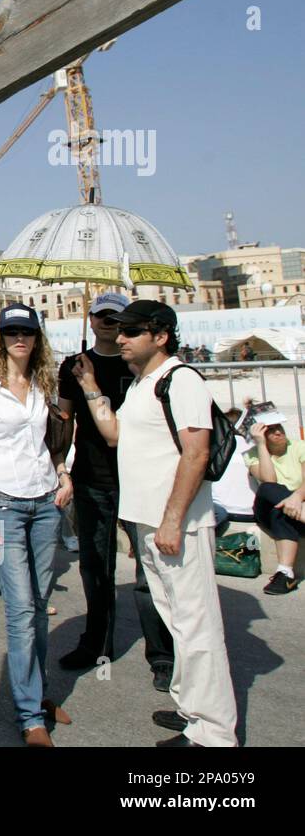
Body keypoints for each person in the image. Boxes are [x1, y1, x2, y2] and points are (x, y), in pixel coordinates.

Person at [73, 299, 237, 747]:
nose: (120, 338)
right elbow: (114, 433)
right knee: (176, 618)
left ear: (160, 335)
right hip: (149, 523)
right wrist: (89, 384)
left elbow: (197, 453)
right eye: (118, 330)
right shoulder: (147, 383)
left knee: (197, 626)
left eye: (131, 331)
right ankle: (192, 709)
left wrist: (170, 520)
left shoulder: (182, 381)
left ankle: (213, 734)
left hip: (177, 526)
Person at [0, 303, 73, 746]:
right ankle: (29, 715)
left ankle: (39, 695)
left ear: (36, 337)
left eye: (27, 331)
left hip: (46, 499)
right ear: (0, 337)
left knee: (40, 601)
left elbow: (53, 442)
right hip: (3, 503)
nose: (19, 339)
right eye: (11, 332)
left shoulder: (45, 383)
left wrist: (64, 475)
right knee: (21, 608)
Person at [55, 292, 171, 673]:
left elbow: (118, 429)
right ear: (90, 320)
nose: (108, 323)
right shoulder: (73, 366)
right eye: (101, 316)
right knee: (94, 566)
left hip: (138, 478)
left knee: (147, 572)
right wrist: (59, 465)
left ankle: (162, 654)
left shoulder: (139, 364)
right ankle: (97, 644)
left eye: (117, 318)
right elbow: (65, 420)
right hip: (92, 478)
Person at [243, 411, 304, 595]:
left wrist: (296, 497)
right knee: (268, 489)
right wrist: (261, 445)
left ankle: (284, 573)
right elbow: (269, 481)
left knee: (280, 512)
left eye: (280, 428)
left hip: (295, 507)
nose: (278, 432)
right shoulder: (252, 454)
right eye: (271, 430)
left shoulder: (299, 446)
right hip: (267, 508)